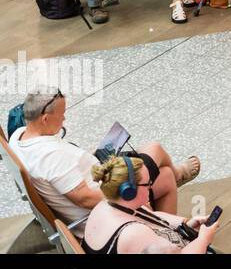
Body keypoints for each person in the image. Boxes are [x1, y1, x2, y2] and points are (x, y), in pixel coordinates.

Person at [9, 90, 200, 239]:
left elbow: (67, 175)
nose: (65, 119)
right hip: (106, 211)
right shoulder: (50, 156)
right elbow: (86, 200)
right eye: (62, 114)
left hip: (98, 180)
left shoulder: (19, 137)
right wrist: (123, 187)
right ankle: (177, 176)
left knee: (165, 178)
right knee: (155, 149)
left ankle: (165, 235)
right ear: (45, 118)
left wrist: (90, 158)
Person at [81, 153, 218, 254]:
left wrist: (186, 224)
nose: (151, 186)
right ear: (129, 191)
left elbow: (150, 216)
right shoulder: (134, 234)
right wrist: (204, 239)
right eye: (147, 184)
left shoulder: (106, 205)